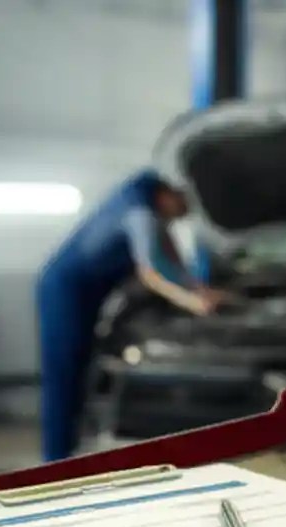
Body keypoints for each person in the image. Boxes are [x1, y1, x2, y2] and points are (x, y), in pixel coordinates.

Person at [35, 169, 230, 461]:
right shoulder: (139, 213)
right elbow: (150, 271)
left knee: (82, 371)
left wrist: (201, 290)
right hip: (64, 291)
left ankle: (72, 450)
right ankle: (55, 460)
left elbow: (171, 262)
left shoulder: (150, 211)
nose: (181, 215)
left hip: (87, 293)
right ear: (167, 194)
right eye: (183, 207)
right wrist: (193, 303)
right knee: (65, 374)